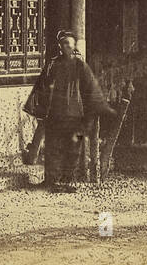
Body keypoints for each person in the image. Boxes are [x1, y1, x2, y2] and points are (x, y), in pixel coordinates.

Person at [35, 30, 117, 192]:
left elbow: (91, 88)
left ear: (74, 46)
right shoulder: (52, 64)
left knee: (73, 147)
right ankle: (51, 180)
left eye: (70, 43)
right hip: (55, 113)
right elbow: (42, 87)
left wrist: (97, 108)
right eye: (64, 43)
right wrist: (41, 108)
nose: (67, 46)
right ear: (60, 46)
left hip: (75, 114)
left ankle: (67, 181)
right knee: (53, 146)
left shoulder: (80, 65)